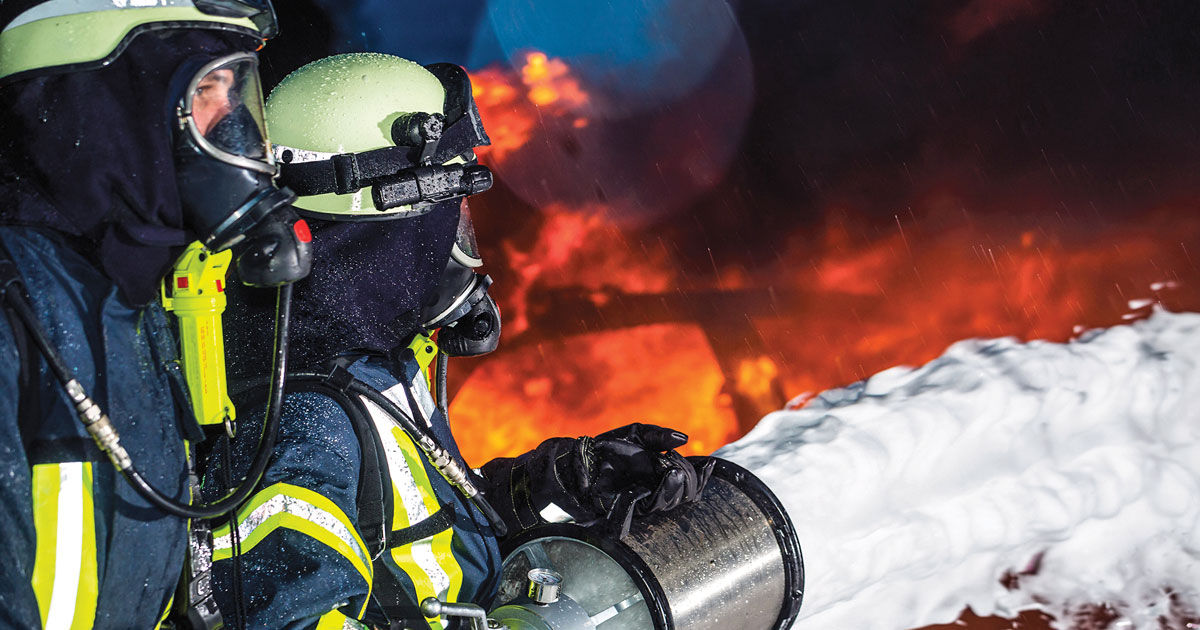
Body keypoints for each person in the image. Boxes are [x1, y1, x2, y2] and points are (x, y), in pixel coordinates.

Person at [210, 52, 712, 630]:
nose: (458, 250)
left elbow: (422, 530)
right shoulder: (303, 418)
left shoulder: (369, 364)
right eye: (448, 221)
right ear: (388, 236)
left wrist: (562, 483)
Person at [0, 1, 311, 627]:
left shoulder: (138, 299)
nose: (232, 121)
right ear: (107, 103)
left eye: (237, 90)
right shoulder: (17, 302)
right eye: (205, 88)